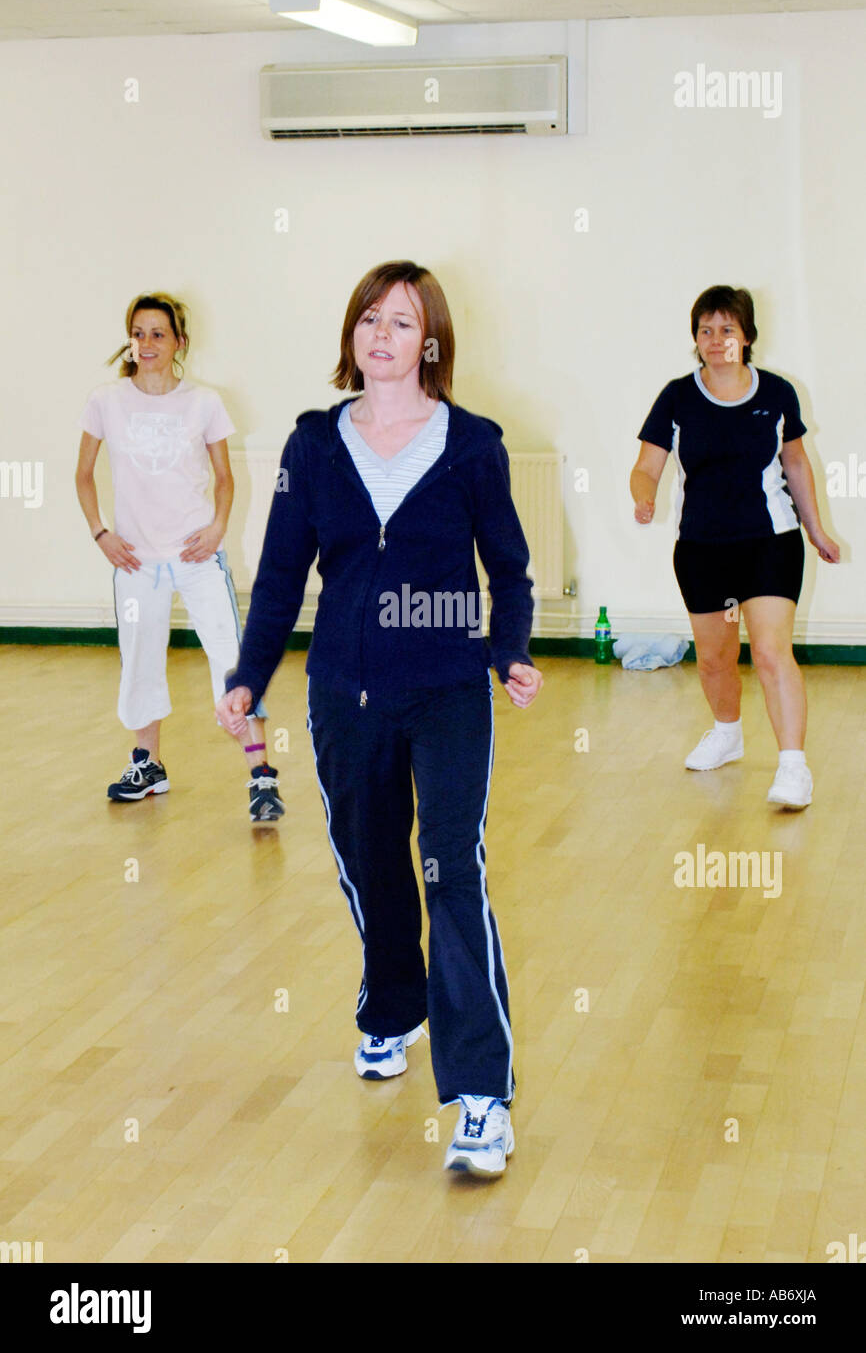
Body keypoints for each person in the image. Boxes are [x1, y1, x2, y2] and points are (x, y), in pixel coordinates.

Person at [216, 260, 542, 1177]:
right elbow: (282, 574)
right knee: (370, 863)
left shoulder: (474, 444)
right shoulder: (313, 445)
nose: (381, 335)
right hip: (343, 692)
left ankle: (480, 1095)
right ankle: (393, 1006)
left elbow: (508, 570)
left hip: (445, 691)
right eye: (368, 319)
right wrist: (249, 674)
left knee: (450, 870)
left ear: (430, 341)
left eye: (401, 322)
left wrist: (508, 649)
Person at [75, 291, 284, 823]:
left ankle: (261, 777)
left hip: (195, 555)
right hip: (135, 561)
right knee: (140, 657)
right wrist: (102, 534)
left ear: (179, 342)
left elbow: (224, 478)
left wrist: (217, 529)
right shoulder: (106, 400)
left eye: (158, 334)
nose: (147, 343)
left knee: (231, 658)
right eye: (139, 333)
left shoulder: (204, 402)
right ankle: (148, 764)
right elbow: (82, 475)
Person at [630, 285, 839, 809]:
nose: (716, 339)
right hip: (702, 549)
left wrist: (817, 530)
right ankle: (727, 732)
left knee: (771, 653)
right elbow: (646, 465)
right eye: (705, 330)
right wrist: (644, 498)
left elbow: (796, 463)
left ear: (746, 336)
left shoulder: (776, 394)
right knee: (715, 660)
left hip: (771, 542)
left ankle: (794, 767)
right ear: (695, 339)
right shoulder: (677, 396)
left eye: (727, 329)